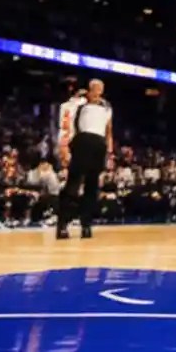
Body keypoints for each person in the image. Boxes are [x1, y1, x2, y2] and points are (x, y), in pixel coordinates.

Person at [58, 79, 113, 240]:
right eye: (95, 89)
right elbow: (66, 125)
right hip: (82, 142)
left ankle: (86, 225)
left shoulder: (106, 107)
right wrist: (64, 148)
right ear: (89, 90)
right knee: (73, 185)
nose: (98, 92)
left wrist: (109, 153)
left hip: (99, 144)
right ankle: (63, 224)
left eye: (100, 89)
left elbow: (109, 130)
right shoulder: (77, 104)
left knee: (92, 187)